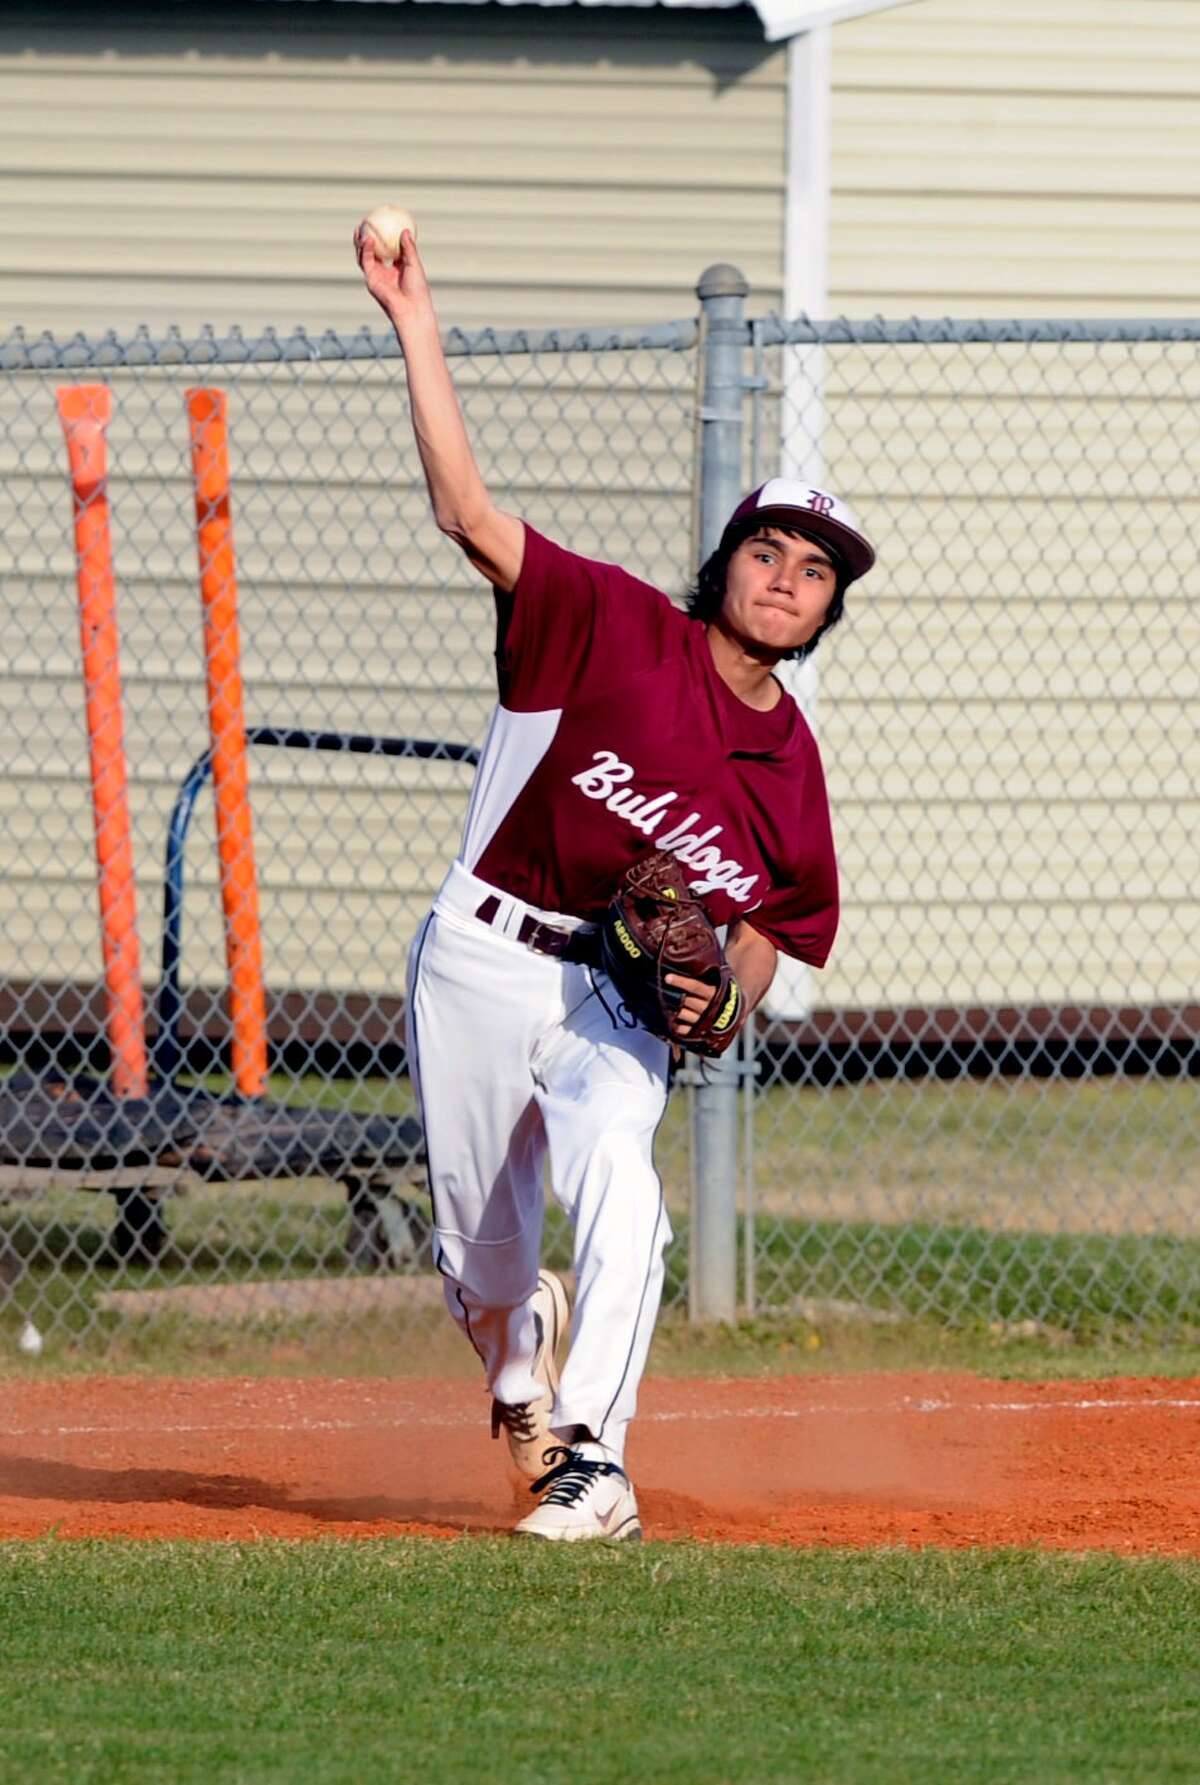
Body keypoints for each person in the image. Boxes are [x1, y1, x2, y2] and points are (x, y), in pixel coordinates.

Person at [355, 223, 876, 1542]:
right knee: (486, 1271)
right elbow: (468, 515)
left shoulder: (790, 766)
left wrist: (726, 995)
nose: (787, 580)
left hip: (611, 997)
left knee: (621, 1177)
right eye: (769, 551)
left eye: (816, 572)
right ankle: (520, 1372)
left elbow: (771, 925)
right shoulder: (608, 624)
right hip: (480, 953)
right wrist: (416, 322)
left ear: (826, 613)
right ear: (727, 561)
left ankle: (595, 1460)